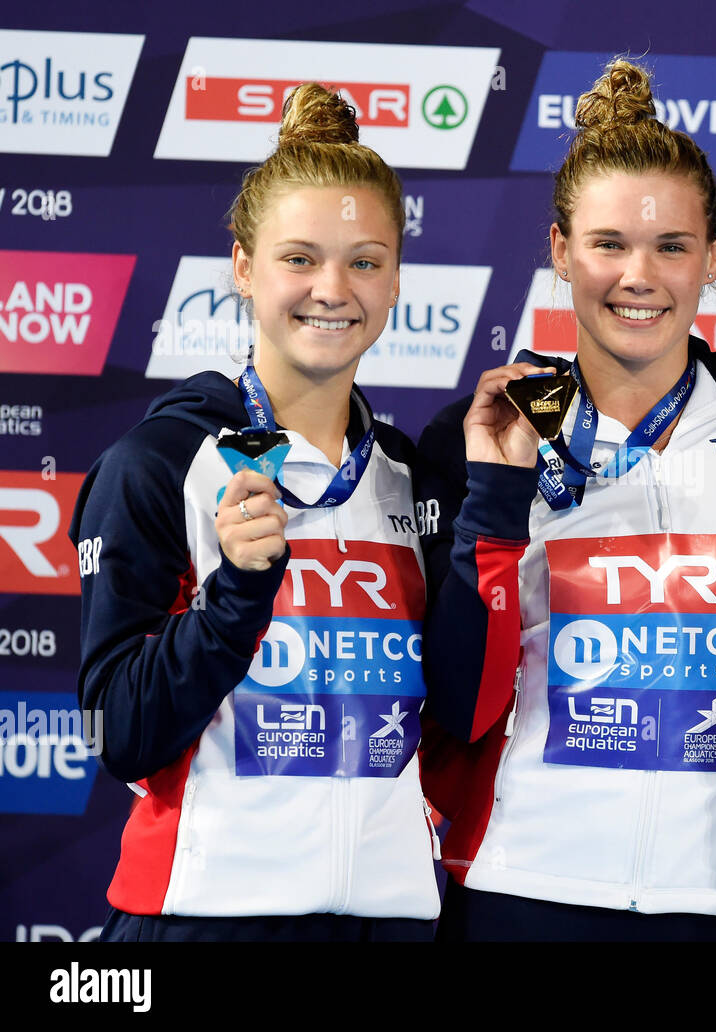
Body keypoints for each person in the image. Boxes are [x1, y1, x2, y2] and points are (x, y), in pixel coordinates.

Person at [418, 59, 716, 941]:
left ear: (715, 254)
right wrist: (496, 495)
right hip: (521, 889)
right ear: (560, 250)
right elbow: (455, 707)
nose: (638, 276)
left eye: (672, 246)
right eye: (608, 243)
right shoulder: (485, 430)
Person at [69, 84, 457, 942]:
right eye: (299, 258)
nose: (332, 288)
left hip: (387, 919)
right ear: (244, 268)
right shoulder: (160, 462)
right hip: (208, 920)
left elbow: (461, 709)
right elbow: (115, 734)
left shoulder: (408, 471)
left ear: (396, 279)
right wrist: (235, 597)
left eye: (364, 260)